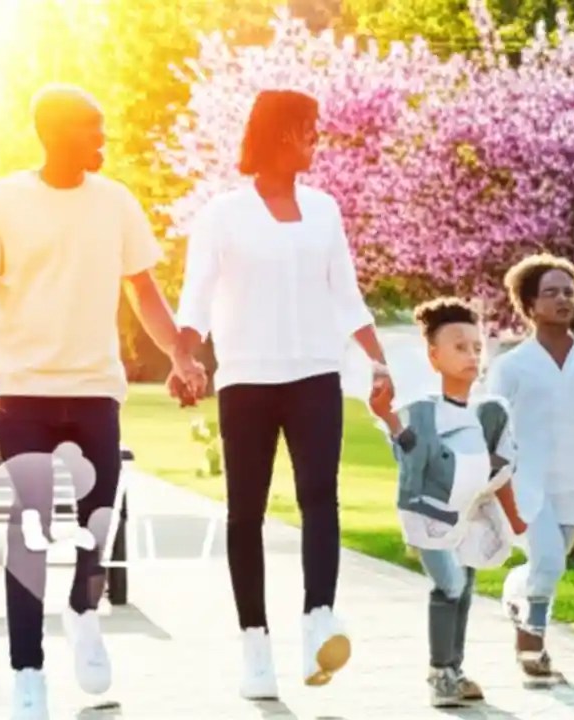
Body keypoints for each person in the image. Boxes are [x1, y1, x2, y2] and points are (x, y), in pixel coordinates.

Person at [0, 83, 206, 720]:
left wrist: (179, 354)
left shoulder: (115, 202)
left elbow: (143, 290)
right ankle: (28, 674)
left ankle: (82, 611)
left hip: (95, 387)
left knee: (98, 526)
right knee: (30, 532)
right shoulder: (0, 201)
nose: (103, 138)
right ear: (56, 133)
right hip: (23, 391)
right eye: (92, 128)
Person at [172, 88, 394, 701]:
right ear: (276, 135)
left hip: (315, 376)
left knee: (320, 497)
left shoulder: (324, 210)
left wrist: (377, 359)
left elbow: (346, 294)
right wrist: (184, 356)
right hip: (246, 379)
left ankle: (319, 621)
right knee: (246, 512)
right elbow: (197, 296)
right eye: (306, 129)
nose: (315, 140)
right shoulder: (223, 214)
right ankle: (255, 648)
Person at [369, 297, 529, 707]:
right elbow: (411, 451)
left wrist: (515, 520)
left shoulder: (488, 414)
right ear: (434, 356)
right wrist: (388, 418)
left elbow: (500, 473)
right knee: (450, 584)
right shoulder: (424, 413)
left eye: (477, 347)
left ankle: (453, 670)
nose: (472, 355)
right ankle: (439, 674)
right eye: (459, 347)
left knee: (465, 588)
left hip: (468, 518)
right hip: (430, 518)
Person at [483, 253, 574, 687]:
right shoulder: (511, 366)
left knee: (548, 566)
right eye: (551, 293)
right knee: (548, 561)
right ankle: (532, 651)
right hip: (527, 480)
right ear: (530, 304)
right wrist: (491, 478)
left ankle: (515, 592)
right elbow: (493, 424)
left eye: (568, 291)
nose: (563, 299)